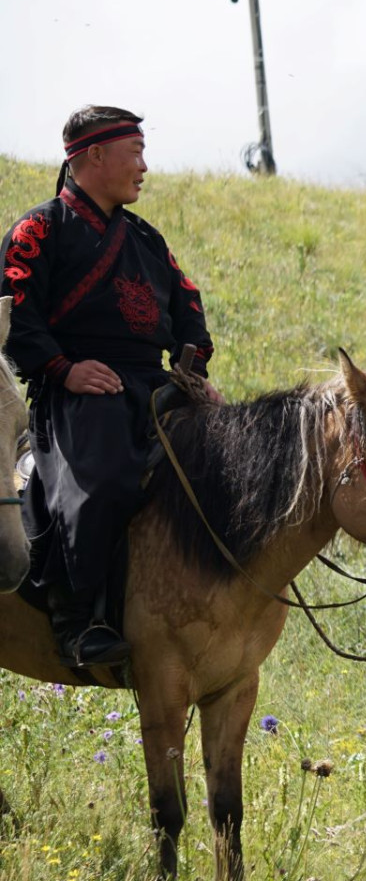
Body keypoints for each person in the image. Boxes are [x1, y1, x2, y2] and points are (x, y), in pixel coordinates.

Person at [1, 105, 219, 668]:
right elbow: (15, 312)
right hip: (78, 391)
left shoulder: (146, 238)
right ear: (93, 156)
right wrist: (62, 369)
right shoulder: (38, 230)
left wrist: (193, 373)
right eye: (135, 153)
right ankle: (78, 618)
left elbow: (186, 302)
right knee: (99, 479)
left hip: (153, 385)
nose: (144, 166)